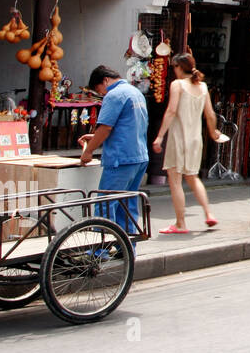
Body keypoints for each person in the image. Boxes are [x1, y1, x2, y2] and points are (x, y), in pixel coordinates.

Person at [150, 53, 222, 234]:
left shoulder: (178, 85)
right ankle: (208, 213)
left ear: (179, 67)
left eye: (174, 67)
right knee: (193, 177)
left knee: (175, 181)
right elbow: (210, 114)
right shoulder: (203, 87)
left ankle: (181, 223)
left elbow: (171, 111)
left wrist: (159, 136)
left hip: (178, 138)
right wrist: (213, 132)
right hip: (195, 139)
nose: (174, 71)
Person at [78, 65, 150, 244]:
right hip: (138, 156)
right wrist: (95, 138)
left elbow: (106, 127)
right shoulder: (135, 93)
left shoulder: (114, 95)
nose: (100, 93)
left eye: (98, 90)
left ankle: (99, 250)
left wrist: (88, 151)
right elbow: (126, 126)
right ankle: (125, 248)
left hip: (121, 158)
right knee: (127, 205)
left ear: (105, 81)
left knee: (105, 204)